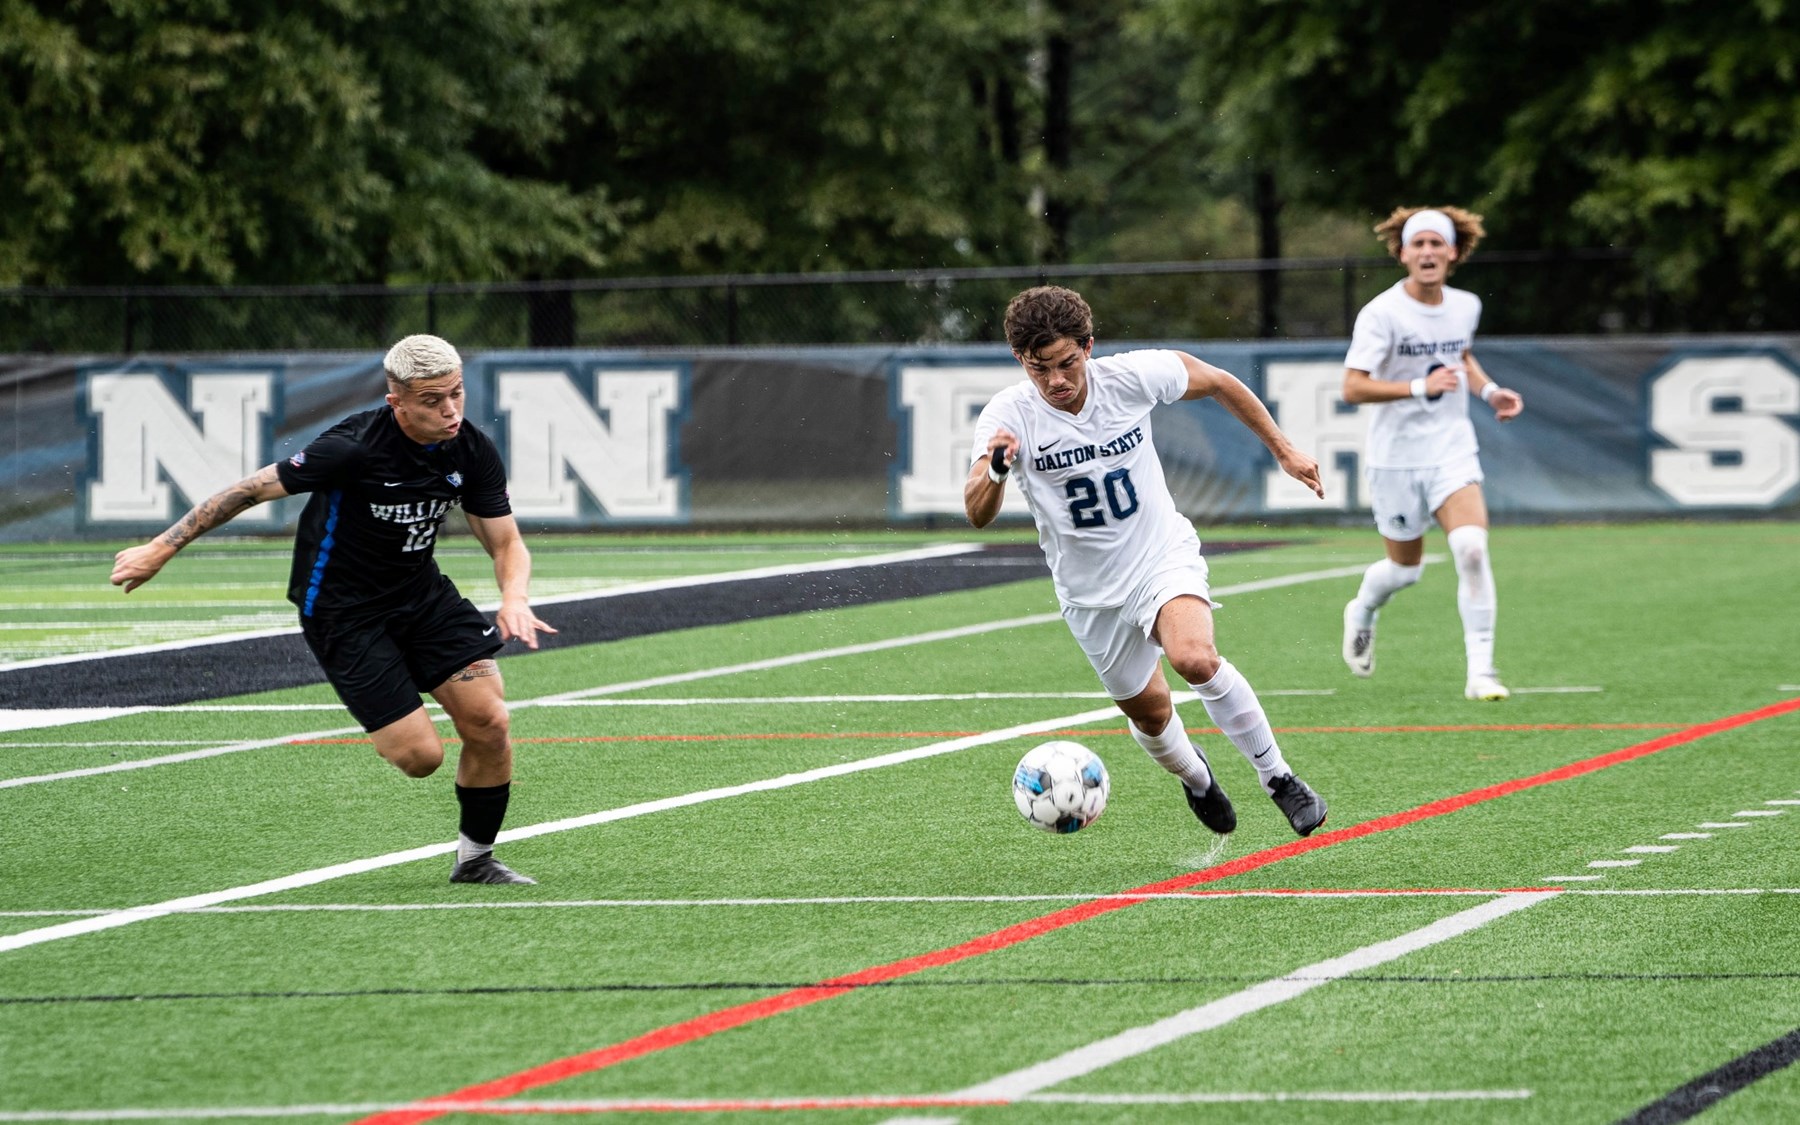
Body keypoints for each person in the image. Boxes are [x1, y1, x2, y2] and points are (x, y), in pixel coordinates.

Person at [111, 334, 556, 884]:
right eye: (433, 401)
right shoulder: (351, 448)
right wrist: (162, 547)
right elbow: (248, 491)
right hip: (343, 611)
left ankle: (475, 862)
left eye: (457, 394)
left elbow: (507, 543)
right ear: (397, 402)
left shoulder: (471, 449)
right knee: (421, 758)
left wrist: (515, 596)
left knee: (490, 721)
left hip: (422, 597)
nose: (451, 411)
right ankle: (383, 700)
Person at [966, 285, 1329, 838]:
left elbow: (1221, 382)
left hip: (1161, 556)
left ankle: (1279, 778)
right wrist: (995, 469)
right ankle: (1199, 779)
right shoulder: (1007, 415)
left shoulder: (1134, 375)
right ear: (1021, 360)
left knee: (1195, 658)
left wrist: (1284, 450)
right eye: (1041, 369)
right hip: (1088, 593)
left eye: (1067, 363)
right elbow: (977, 511)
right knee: (1151, 714)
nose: (1057, 380)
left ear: (1089, 346)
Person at [1339, 206, 1524, 701]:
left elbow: (1460, 356)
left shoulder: (1465, 306)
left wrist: (1490, 393)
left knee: (1471, 548)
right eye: (1416, 244)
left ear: (1454, 252)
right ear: (1402, 253)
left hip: (1452, 449)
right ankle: (1362, 610)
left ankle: (1481, 671)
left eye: (1435, 243)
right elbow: (1353, 388)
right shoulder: (1381, 313)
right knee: (1405, 569)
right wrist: (1421, 385)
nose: (1426, 252)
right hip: (1395, 458)